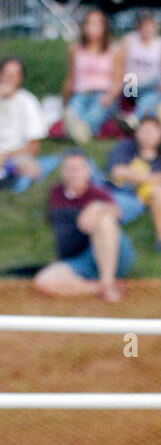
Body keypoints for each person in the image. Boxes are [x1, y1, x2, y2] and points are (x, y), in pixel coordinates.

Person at [34, 150, 134, 302]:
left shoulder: (98, 193)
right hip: (80, 260)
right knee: (43, 282)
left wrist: (98, 206)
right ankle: (100, 287)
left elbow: (116, 213)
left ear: (87, 171)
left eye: (77, 169)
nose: (72, 174)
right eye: (68, 169)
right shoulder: (56, 192)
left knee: (104, 220)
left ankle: (108, 280)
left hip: (112, 252)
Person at [62, 8, 118, 145]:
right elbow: (70, 78)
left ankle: (83, 130)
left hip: (103, 94)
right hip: (81, 93)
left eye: (96, 24)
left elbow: (119, 80)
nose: (91, 28)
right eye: (88, 24)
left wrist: (110, 97)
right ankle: (78, 130)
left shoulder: (114, 49)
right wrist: (64, 102)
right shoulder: (75, 49)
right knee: (73, 112)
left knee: (95, 112)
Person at [105, 115, 161, 223]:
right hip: (109, 187)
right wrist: (151, 178)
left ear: (160, 134)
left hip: (133, 199)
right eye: (144, 131)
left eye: (151, 131)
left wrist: (129, 174)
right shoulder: (126, 145)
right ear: (137, 133)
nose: (147, 135)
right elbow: (117, 171)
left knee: (109, 208)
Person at [0, 55, 45, 187]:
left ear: (20, 79)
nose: (8, 79)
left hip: (15, 155)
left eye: (13, 76)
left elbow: (33, 147)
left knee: (31, 168)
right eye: (5, 74)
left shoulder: (28, 102)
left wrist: (4, 155)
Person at [116, 11, 161, 127]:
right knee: (133, 82)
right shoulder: (130, 40)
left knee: (151, 95)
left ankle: (134, 119)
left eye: (151, 27)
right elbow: (119, 61)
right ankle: (131, 113)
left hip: (151, 85)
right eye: (145, 27)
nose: (148, 30)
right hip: (131, 83)